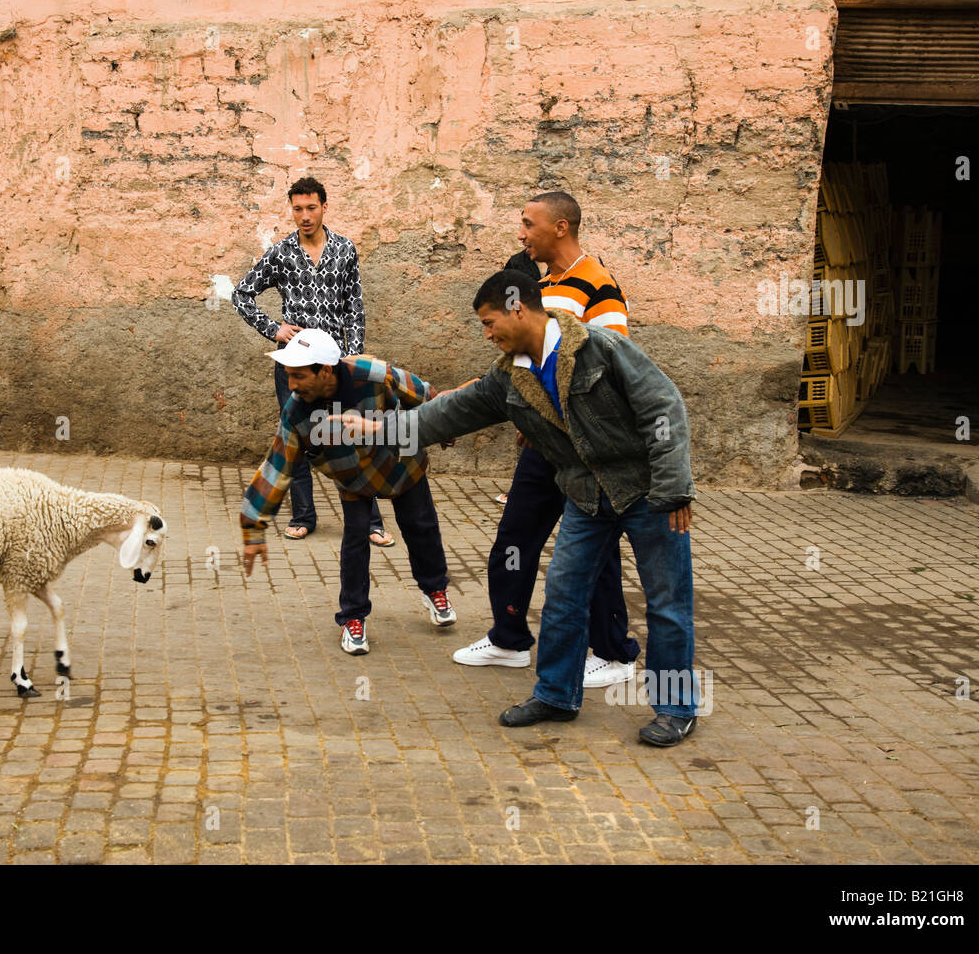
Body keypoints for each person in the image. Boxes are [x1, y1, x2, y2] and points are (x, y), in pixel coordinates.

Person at [367, 272, 700, 746]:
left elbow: (662, 407)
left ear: (517, 307)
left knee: (667, 605)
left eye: (488, 322)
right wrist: (374, 430)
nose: (487, 333)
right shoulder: (509, 377)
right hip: (586, 495)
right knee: (564, 595)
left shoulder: (600, 348)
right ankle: (557, 695)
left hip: (648, 493)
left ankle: (677, 708)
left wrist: (674, 489)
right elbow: (447, 413)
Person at [453, 193, 640, 690]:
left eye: (527, 224)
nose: (521, 234)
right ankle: (509, 639)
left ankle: (616, 654)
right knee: (514, 540)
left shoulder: (598, 286)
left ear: (560, 228)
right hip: (542, 446)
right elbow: (524, 355)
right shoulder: (541, 286)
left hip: (584, 450)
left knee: (594, 553)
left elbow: (610, 368)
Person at [239, 328, 456, 656]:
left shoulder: (373, 375)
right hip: (352, 476)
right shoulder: (297, 412)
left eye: (298, 376)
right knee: (355, 542)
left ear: (325, 370)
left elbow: (423, 393)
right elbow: (276, 468)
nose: (292, 386)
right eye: (288, 376)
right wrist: (253, 528)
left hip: (401, 463)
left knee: (422, 528)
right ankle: (353, 619)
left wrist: (443, 426)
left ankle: (435, 591)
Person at [231, 177, 393, 547]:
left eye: (311, 207)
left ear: (324, 206)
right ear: (292, 209)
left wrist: (355, 352)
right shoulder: (281, 253)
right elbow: (241, 295)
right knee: (297, 437)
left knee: (351, 436)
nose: (304, 216)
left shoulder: (344, 250)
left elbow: (355, 306)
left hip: (335, 364)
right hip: (295, 363)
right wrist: (275, 329)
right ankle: (304, 516)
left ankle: (371, 521)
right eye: (298, 208)